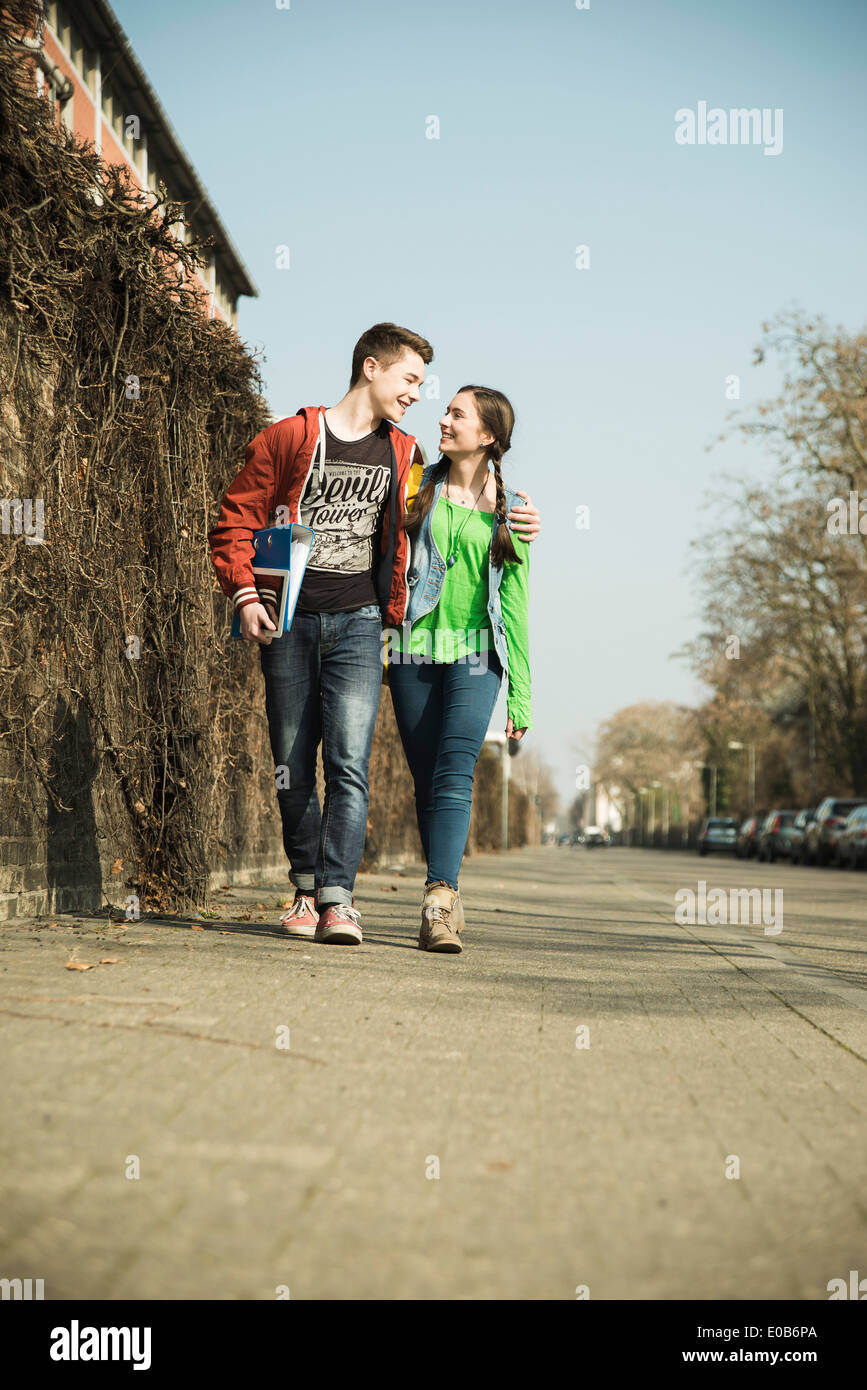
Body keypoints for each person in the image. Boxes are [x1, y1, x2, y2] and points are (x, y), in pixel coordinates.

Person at [208, 326, 541, 946]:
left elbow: (503, 584)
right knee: (294, 761)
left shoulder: (437, 473)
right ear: (372, 369)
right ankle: (306, 889)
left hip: (390, 633)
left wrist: (520, 688)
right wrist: (246, 591)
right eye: (413, 382)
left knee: (368, 766)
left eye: (445, 403)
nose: (425, 401)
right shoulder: (338, 449)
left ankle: (367, 899)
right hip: (337, 631)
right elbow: (237, 517)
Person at [387, 385, 531, 954]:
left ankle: (437, 902)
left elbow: (515, 602)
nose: (442, 420)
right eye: (444, 411)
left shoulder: (513, 510)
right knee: (427, 781)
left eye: (456, 414)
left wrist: (520, 692)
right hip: (411, 649)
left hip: (477, 655)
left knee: (454, 772)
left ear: (488, 435)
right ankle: (444, 887)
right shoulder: (415, 484)